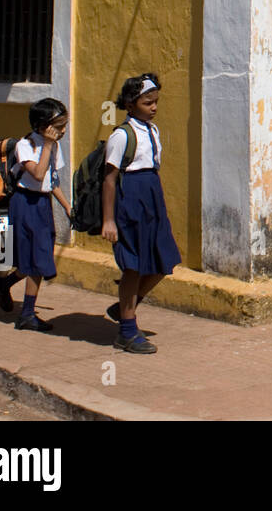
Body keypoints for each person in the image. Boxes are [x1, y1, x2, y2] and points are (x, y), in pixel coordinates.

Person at [102, 73, 182, 353]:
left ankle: (125, 306)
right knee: (133, 267)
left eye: (156, 102)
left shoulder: (153, 130)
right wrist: (109, 219)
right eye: (148, 102)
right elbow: (109, 179)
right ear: (130, 103)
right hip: (130, 202)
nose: (154, 107)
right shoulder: (121, 136)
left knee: (164, 258)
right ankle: (126, 331)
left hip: (152, 198)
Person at [3, 99, 72, 331]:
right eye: (58, 126)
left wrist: (67, 206)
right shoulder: (27, 145)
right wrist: (49, 146)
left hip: (42, 205)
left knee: (38, 258)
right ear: (43, 126)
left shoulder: (53, 145)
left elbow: (52, 181)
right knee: (33, 259)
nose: (62, 131)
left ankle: (6, 285)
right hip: (25, 204)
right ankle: (27, 314)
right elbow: (39, 174)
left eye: (64, 126)